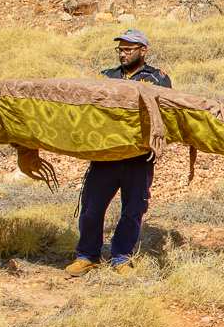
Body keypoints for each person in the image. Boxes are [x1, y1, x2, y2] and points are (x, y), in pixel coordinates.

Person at [66, 29, 172, 278]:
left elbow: (165, 112)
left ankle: (121, 257)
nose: (123, 54)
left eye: (128, 49)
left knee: (133, 209)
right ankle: (87, 255)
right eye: (120, 49)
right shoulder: (105, 76)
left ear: (143, 51)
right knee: (92, 207)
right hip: (106, 156)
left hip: (138, 158)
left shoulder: (158, 79)